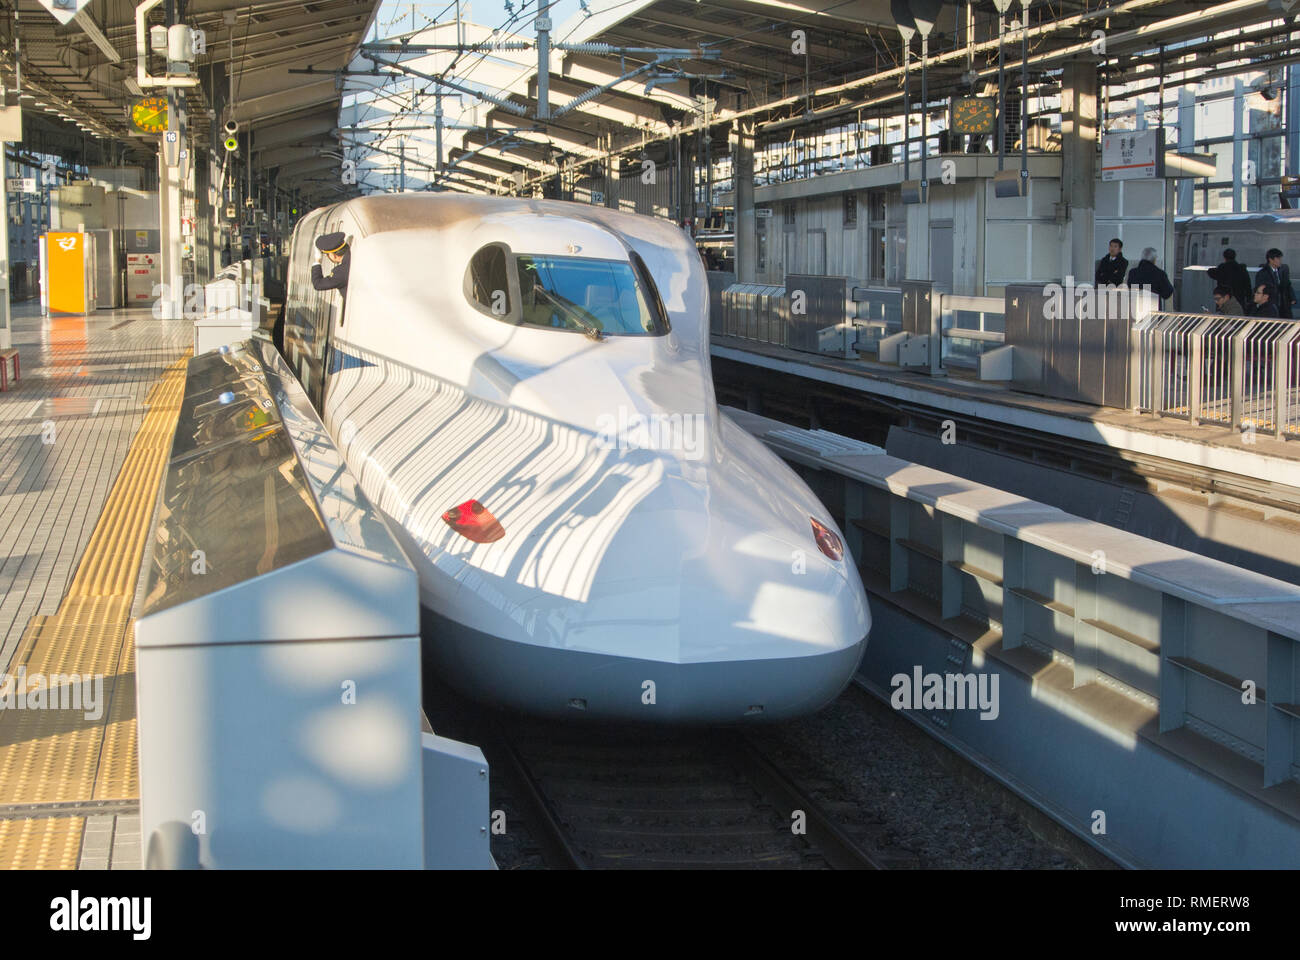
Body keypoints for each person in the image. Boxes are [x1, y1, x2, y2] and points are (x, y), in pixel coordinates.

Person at [1255, 248, 1295, 319]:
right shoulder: (1263, 273)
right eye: (1278, 259)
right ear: (1271, 259)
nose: (1280, 261)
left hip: (1283, 305)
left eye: (1280, 258)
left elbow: (1287, 285)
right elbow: (1260, 288)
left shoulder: (1283, 271)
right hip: (1270, 305)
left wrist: (1292, 298)